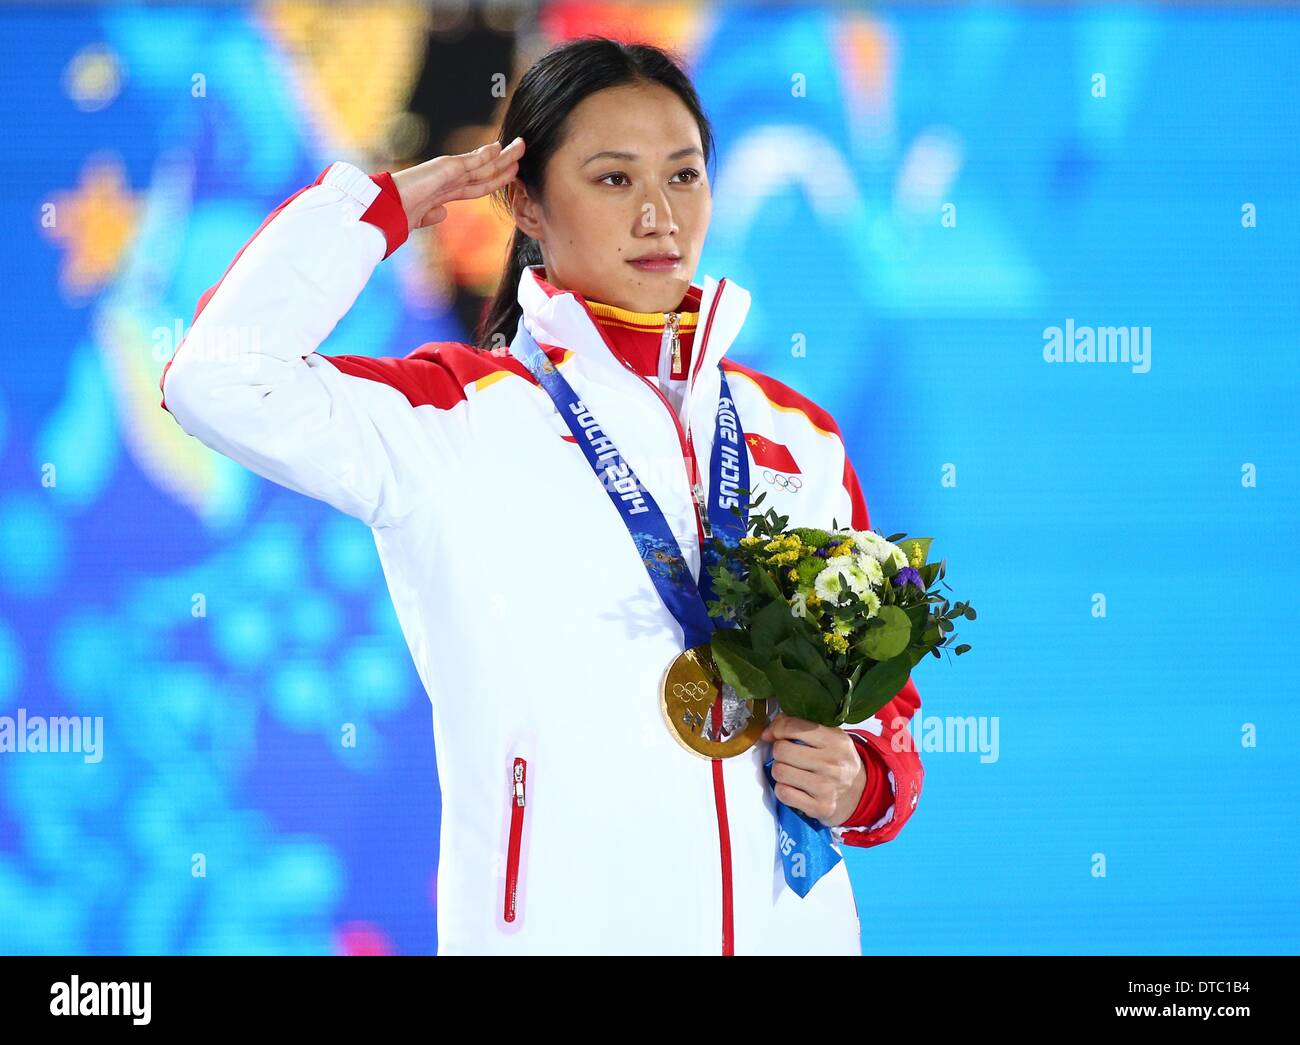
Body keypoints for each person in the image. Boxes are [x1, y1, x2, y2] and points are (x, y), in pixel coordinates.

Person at [159, 36, 923, 956]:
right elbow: (216, 378)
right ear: (523, 198)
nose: (658, 215)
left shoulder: (798, 436)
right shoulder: (452, 421)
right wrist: (383, 208)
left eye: (684, 177)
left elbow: (882, 708)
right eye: (612, 179)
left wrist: (863, 782)